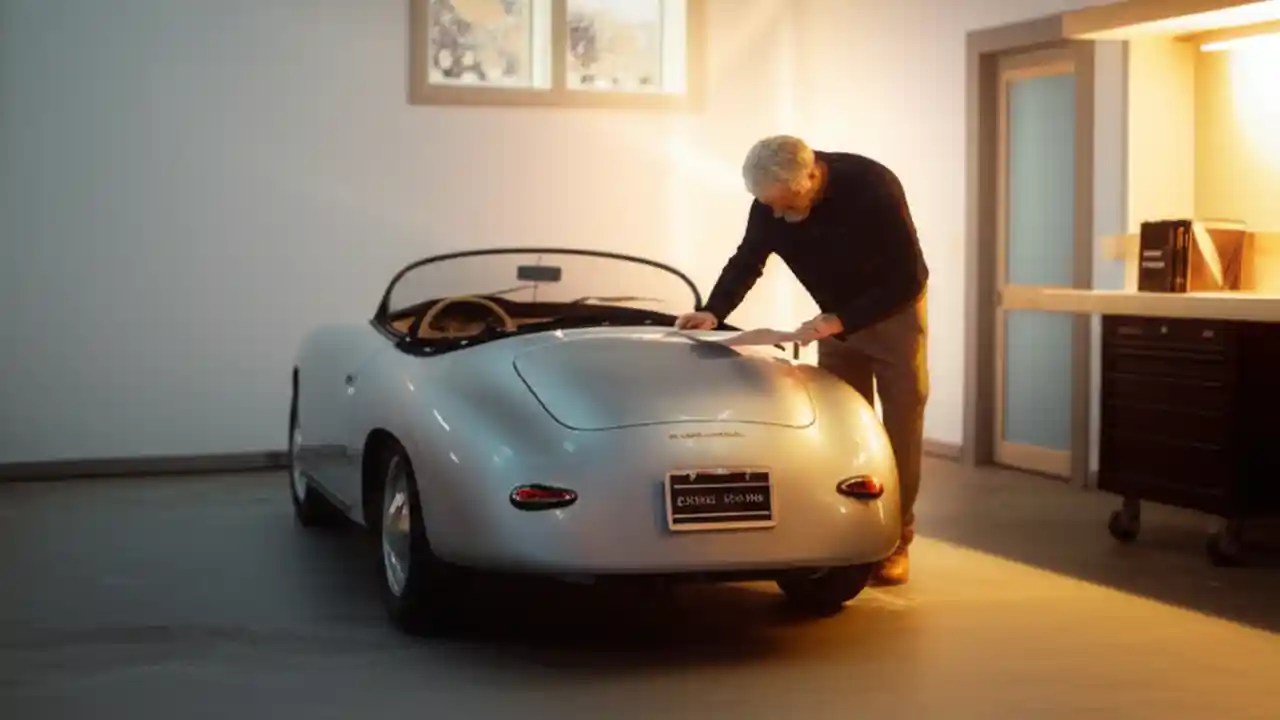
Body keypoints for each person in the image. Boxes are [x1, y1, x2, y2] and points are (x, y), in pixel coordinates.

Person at [674, 135, 929, 585]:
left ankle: (897, 543)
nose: (776, 213)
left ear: (811, 178)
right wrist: (713, 311)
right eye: (767, 204)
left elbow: (908, 275)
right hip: (833, 316)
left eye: (785, 203)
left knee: (900, 427)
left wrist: (845, 319)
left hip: (893, 312)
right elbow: (748, 259)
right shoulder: (770, 203)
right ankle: (845, 534)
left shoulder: (872, 186)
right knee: (840, 426)